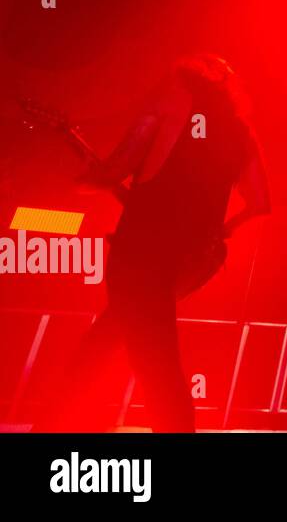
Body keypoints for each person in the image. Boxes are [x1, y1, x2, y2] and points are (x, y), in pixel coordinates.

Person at [42, 53, 269, 432]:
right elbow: (261, 203)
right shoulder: (241, 133)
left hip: (141, 255)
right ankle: (55, 425)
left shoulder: (172, 94)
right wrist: (222, 231)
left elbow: (117, 169)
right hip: (190, 263)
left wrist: (81, 182)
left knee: (157, 367)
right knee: (100, 349)